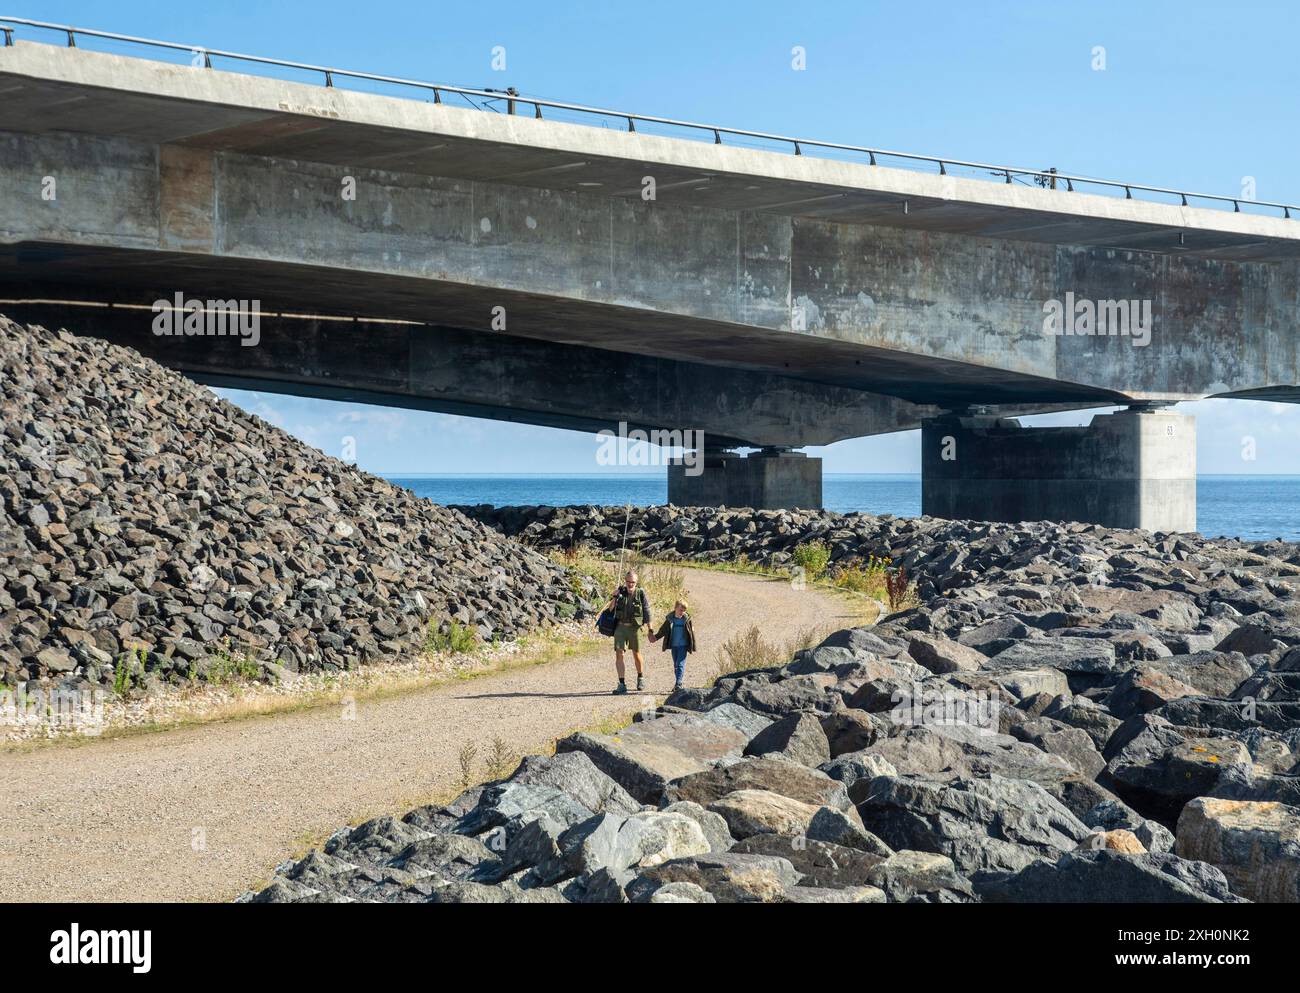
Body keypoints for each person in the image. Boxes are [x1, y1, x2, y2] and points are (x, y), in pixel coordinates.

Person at [607, 570, 652, 694]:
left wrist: (650, 629)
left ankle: (640, 677)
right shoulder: (620, 592)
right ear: (625, 581)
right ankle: (621, 684)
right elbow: (610, 609)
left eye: (632, 582)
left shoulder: (640, 593)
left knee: (636, 654)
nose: (630, 584)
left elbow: (647, 612)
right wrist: (614, 597)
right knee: (619, 654)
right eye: (628, 581)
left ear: (636, 582)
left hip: (635, 628)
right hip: (620, 627)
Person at [651, 598, 696, 691]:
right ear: (675, 608)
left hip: (683, 645)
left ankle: (679, 683)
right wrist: (655, 637)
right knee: (675, 664)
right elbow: (663, 630)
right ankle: (678, 683)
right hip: (674, 645)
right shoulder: (670, 619)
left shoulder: (686, 620)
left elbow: (692, 633)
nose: (682, 612)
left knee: (680, 664)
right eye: (680, 610)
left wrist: (693, 645)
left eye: (684, 610)